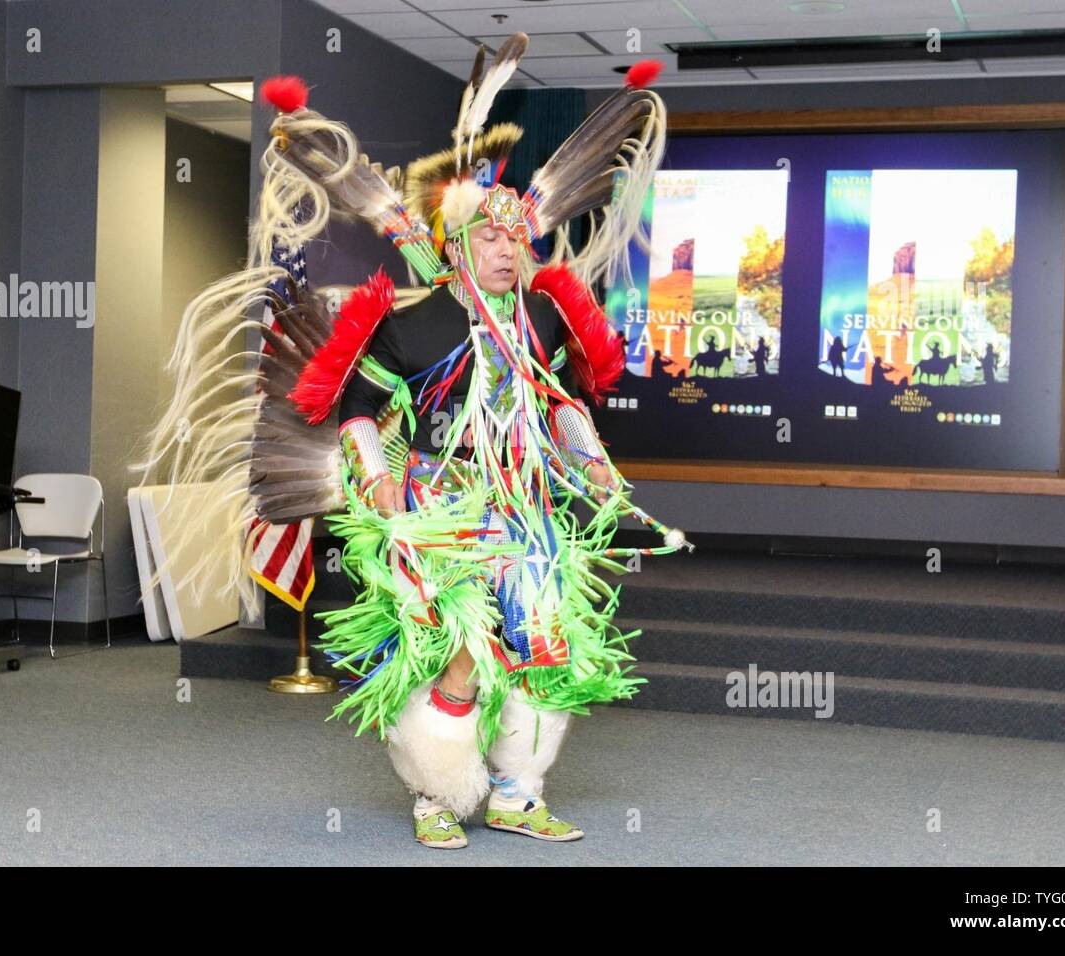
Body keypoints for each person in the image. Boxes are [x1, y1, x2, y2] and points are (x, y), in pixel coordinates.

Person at [139, 35, 685, 851]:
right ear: (460, 244)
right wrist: (379, 479)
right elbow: (356, 405)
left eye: (517, 240)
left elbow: (562, 400)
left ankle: (515, 791)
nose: (508, 252)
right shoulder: (416, 323)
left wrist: (597, 472)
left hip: (526, 507)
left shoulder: (540, 317)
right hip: (440, 508)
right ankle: (436, 790)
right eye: (492, 240)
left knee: (539, 648)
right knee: (458, 652)